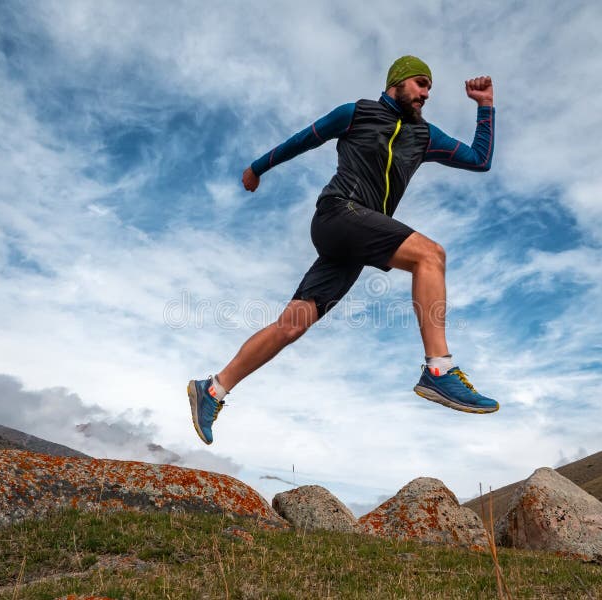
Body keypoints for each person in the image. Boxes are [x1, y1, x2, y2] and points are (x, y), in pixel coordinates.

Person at [188, 56, 497, 445]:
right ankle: (438, 372)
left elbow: (480, 160)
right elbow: (302, 140)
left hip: (354, 246)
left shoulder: (426, 136)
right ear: (396, 82)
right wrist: (257, 167)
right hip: (338, 213)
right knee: (430, 255)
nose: (426, 94)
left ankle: (212, 389)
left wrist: (485, 106)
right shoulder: (356, 114)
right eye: (420, 84)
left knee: (292, 324)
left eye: (429, 88)